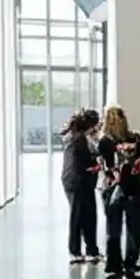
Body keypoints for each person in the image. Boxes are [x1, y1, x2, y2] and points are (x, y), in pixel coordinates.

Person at [97, 106, 140, 279]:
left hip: (113, 189)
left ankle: (114, 267)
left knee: (113, 230)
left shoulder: (104, 141)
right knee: (134, 229)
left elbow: (103, 166)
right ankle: (131, 265)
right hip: (134, 188)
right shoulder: (136, 138)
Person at [60, 108, 102, 264]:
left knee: (87, 214)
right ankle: (76, 251)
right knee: (79, 216)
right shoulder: (80, 141)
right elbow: (86, 164)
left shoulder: (77, 138)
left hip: (74, 181)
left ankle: (90, 249)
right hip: (78, 182)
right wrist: (98, 167)